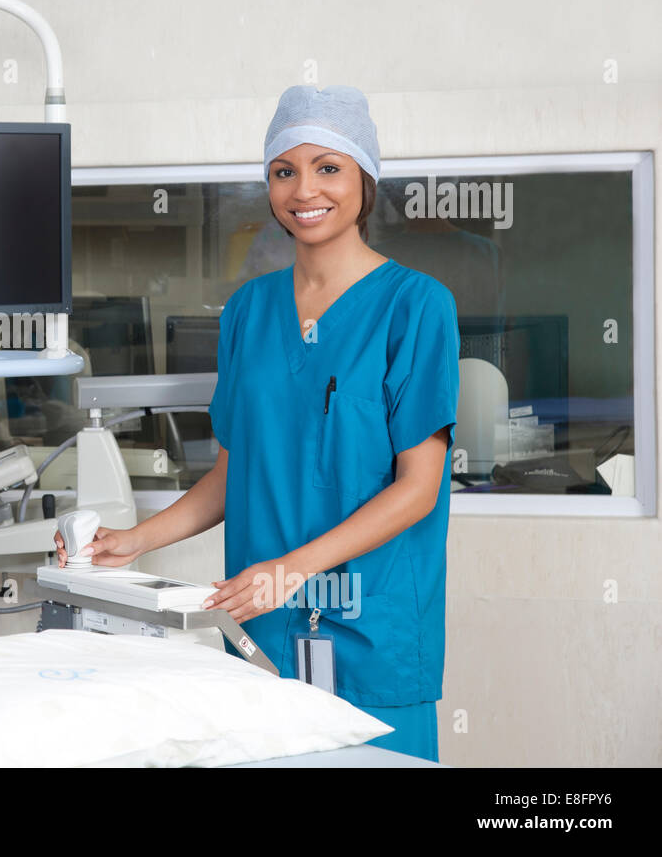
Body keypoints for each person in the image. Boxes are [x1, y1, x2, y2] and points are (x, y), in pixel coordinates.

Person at [54, 85, 460, 762]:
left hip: (375, 627)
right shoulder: (247, 311)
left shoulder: (416, 307)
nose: (305, 189)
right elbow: (234, 471)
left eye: (328, 167)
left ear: (364, 177)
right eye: (284, 170)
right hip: (260, 632)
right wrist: (133, 541)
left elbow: (419, 488)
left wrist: (292, 569)